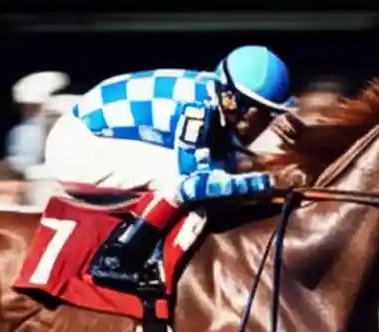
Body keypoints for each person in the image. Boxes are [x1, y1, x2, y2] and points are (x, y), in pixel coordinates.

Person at [43, 45, 293, 294]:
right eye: (258, 110)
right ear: (231, 98)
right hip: (74, 146)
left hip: (94, 130)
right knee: (177, 181)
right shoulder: (196, 109)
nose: (261, 121)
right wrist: (268, 182)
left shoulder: (215, 96)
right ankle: (116, 258)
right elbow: (195, 184)